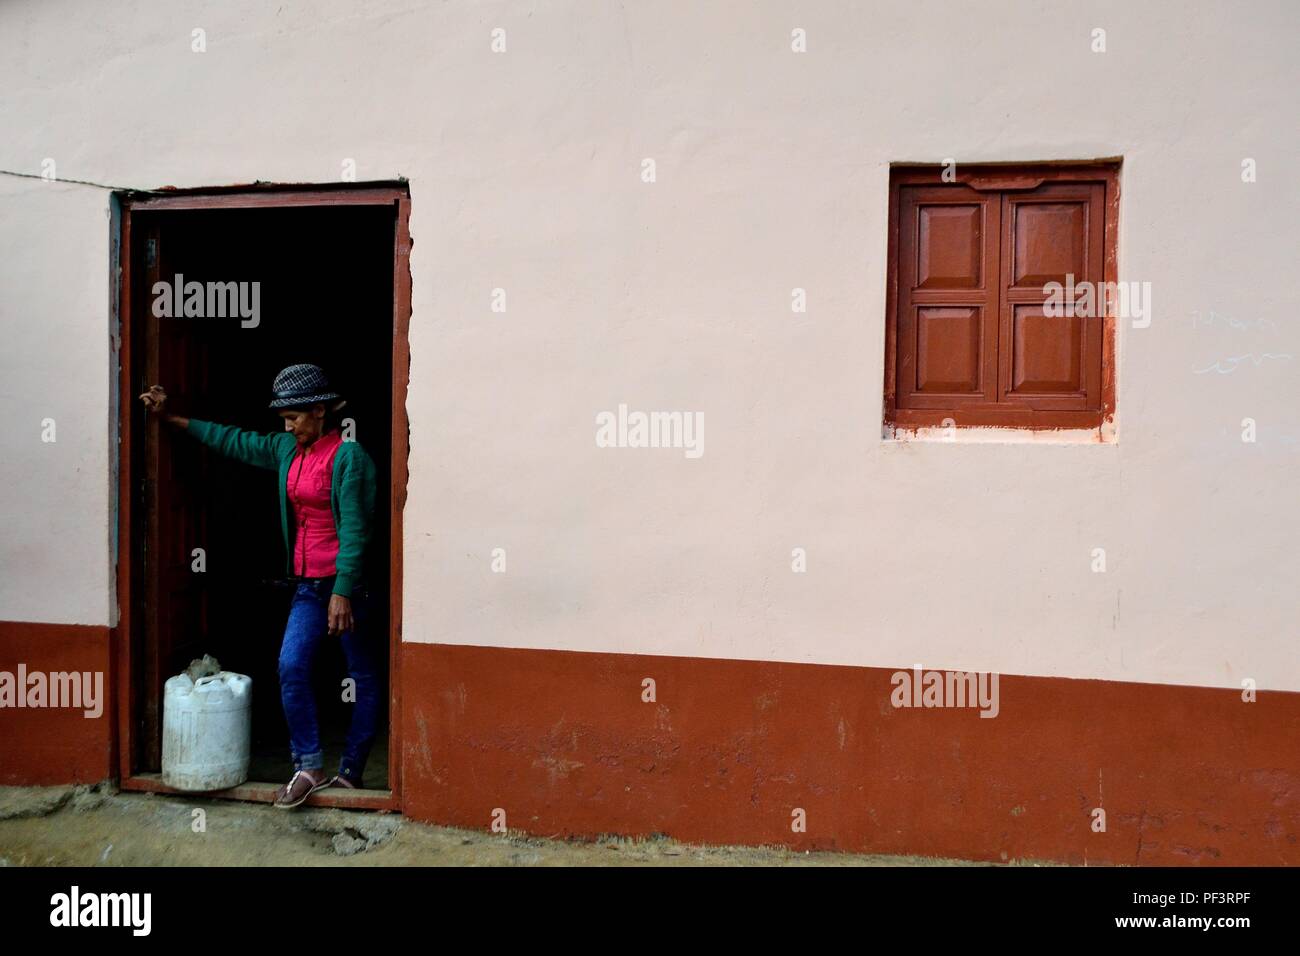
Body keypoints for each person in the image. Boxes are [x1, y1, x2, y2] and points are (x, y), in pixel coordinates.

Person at [140, 363, 380, 808]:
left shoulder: (349, 458)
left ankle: (351, 771)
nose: (288, 426)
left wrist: (343, 590)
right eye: (283, 420)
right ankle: (308, 765)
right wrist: (170, 419)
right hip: (309, 587)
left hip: (349, 588)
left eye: (295, 418)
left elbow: (358, 532)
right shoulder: (287, 451)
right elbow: (233, 440)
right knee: (291, 667)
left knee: (360, 675)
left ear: (320, 411)